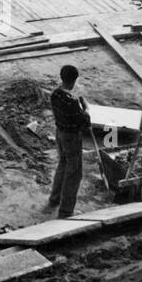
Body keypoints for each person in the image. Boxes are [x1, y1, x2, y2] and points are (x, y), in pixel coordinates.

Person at [48, 64, 92, 217]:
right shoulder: (72, 102)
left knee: (63, 164)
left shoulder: (55, 94)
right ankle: (66, 211)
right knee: (74, 172)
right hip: (71, 137)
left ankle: (55, 198)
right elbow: (84, 123)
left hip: (59, 133)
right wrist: (85, 109)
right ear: (74, 80)